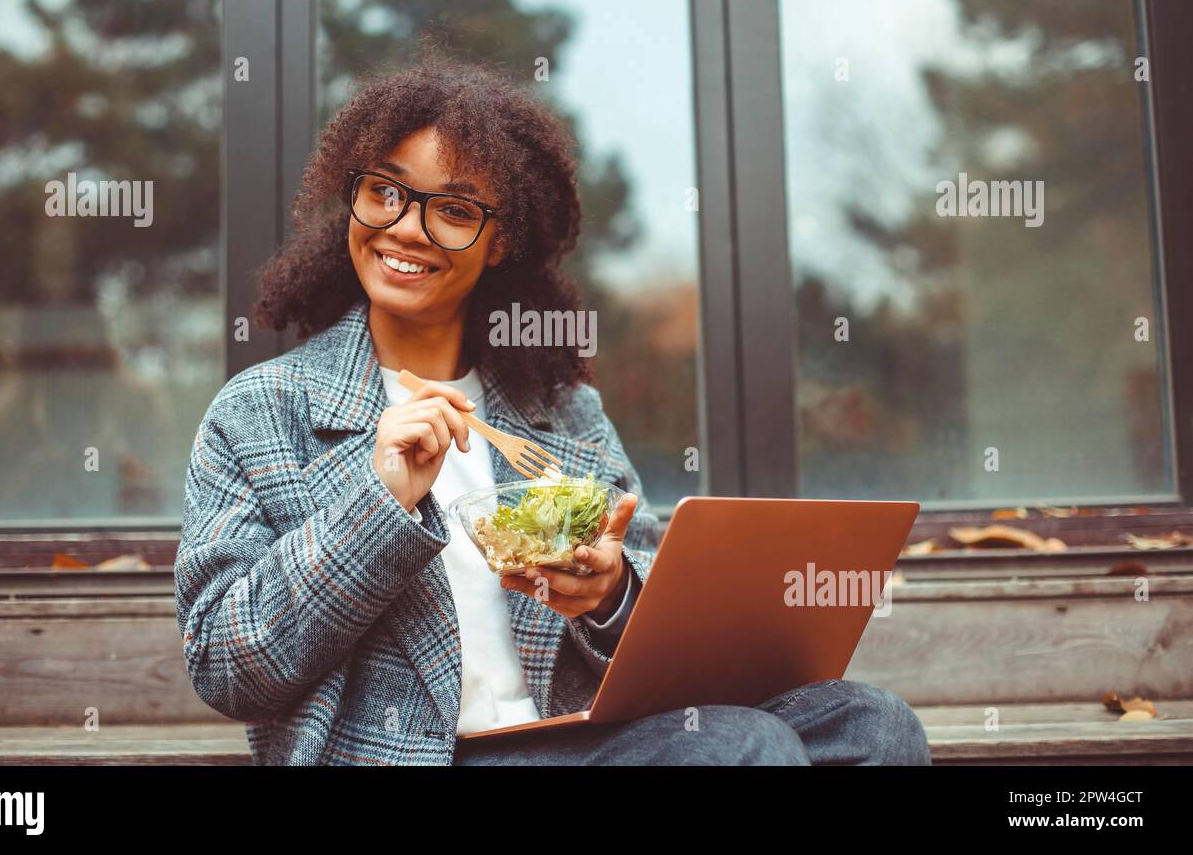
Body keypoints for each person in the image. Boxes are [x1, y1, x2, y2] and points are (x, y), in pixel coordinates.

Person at [175, 59, 931, 766]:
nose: (407, 227)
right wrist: (378, 503)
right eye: (386, 191)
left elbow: (648, 585)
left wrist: (609, 595)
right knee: (741, 746)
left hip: (573, 738)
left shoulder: (561, 412)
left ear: (500, 239)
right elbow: (225, 665)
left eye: (455, 209)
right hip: (421, 755)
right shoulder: (263, 413)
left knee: (873, 724)